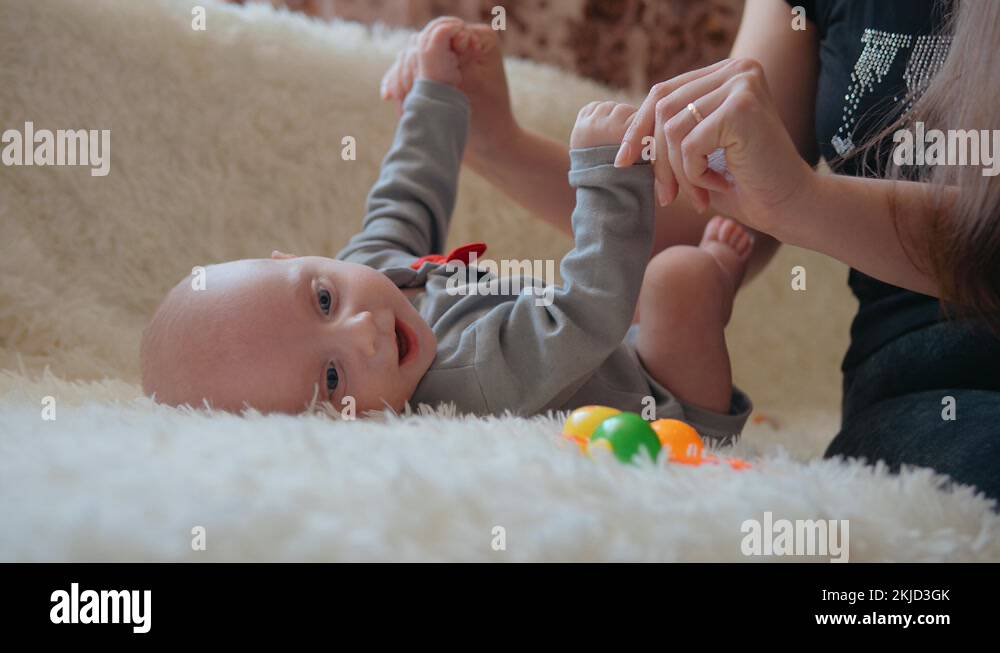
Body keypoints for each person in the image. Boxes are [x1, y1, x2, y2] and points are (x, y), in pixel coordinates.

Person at [382, 1, 1000, 501]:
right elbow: (720, 195)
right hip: (923, 384)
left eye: (326, 299)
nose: (358, 327)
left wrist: (802, 200)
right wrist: (497, 143)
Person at [139, 18, 754, 443]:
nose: (363, 332)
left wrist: (436, 92)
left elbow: (407, 192)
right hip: (662, 398)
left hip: (619, 354)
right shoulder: (463, 385)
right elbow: (585, 314)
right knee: (679, 278)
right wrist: (606, 178)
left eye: (323, 299)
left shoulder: (372, 271)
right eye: (332, 379)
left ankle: (710, 280)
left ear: (296, 258)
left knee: (667, 284)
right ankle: (718, 281)